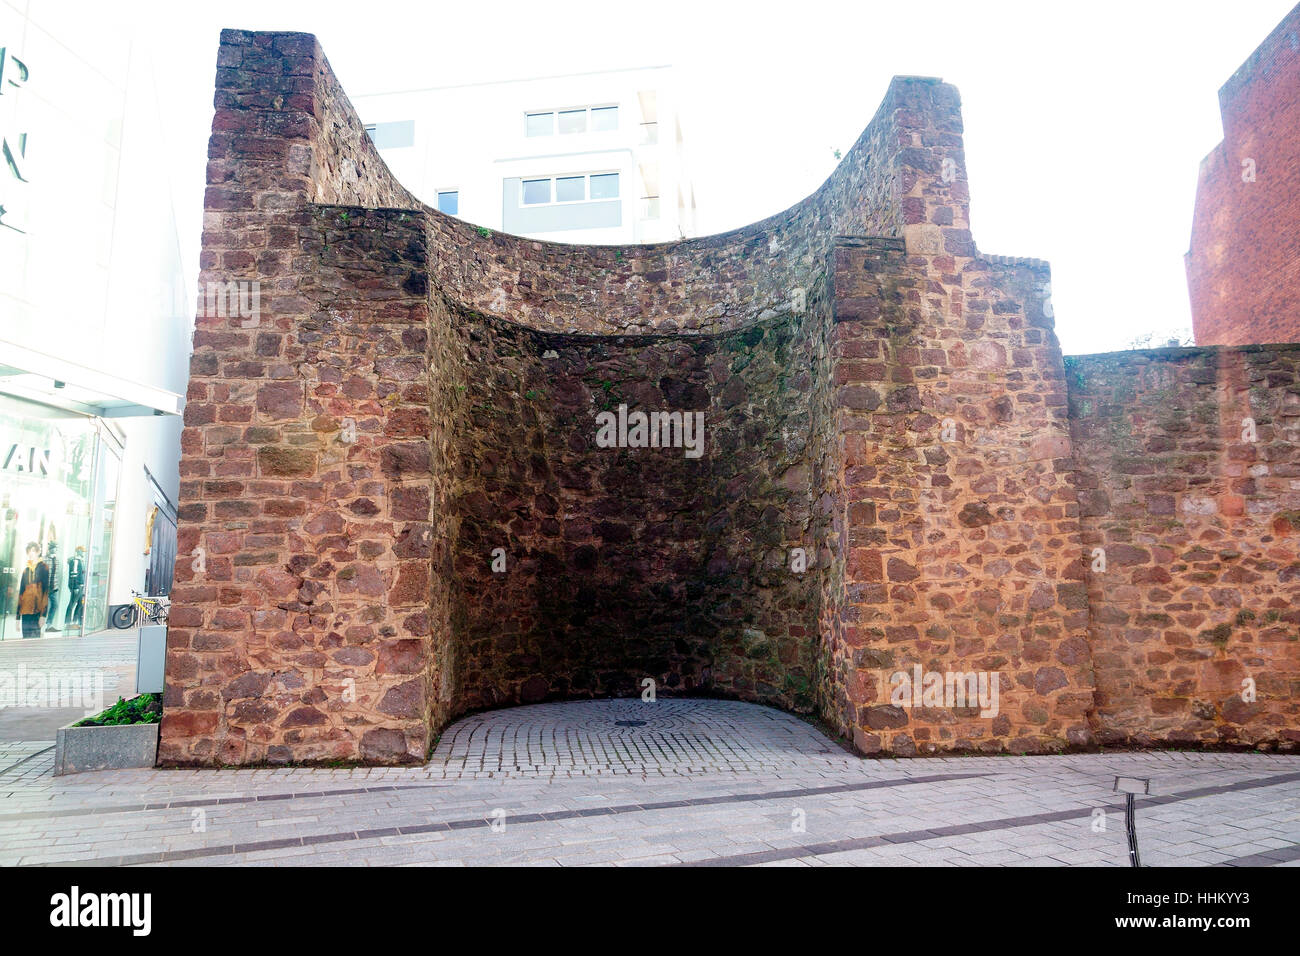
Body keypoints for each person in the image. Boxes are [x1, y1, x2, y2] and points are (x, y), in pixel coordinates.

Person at [16, 542, 49, 639]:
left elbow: (45, 592)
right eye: (29, 551)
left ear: (38, 552)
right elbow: (21, 594)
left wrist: (43, 615)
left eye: (33, 551)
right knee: (25, 641)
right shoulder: (26, 570)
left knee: (34, 642)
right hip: (25, 612)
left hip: (37, 611)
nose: (31, 553)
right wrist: (18, 617)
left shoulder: (43, 568)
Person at [64, 545, 86, 631]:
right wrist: (76, 586)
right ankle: (67, 622)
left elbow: (82, 573)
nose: (83, 553)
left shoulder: (80, 561)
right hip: (76, 586)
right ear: (79, 551)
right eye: (82, 551)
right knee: (72, 603)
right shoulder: (76, 561)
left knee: (80, 604)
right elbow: (74, 574)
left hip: (80, 586)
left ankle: (74, 621)